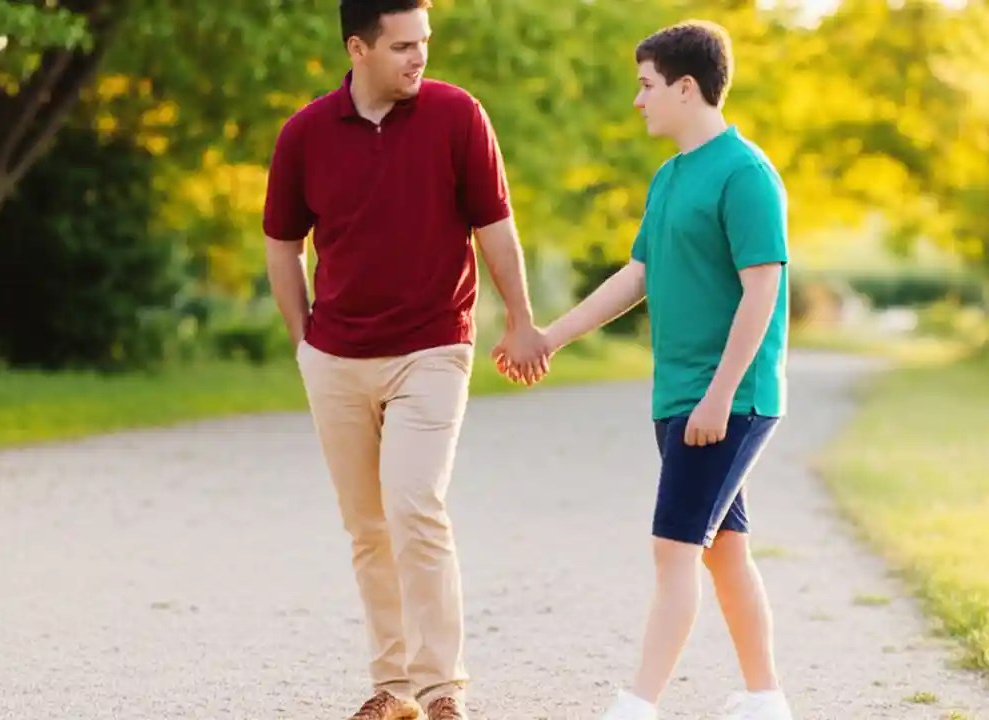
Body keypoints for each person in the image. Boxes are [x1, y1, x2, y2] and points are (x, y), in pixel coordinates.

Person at [261, 1, 551, 718]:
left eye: (423, 42)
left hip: (432, 346)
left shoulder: (459, 117)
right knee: (367, 526)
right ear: (357, 48)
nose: (419, 57)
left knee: (415, 505)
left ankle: (441, 685)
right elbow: (280, 243)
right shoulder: (304, 134)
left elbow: (496, 229)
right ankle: (391, 688)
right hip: (337, 356)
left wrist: (520, 320)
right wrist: (304, 342)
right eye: (401, 46)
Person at [527, 20, 794, 720]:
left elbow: (762, 289)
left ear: (685, 87)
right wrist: (553, 336)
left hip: (727, 400)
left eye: (646, 86)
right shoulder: (671, 177)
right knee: (722, 550)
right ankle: (766, 700)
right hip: (681, 395)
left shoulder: (746, 173)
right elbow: (636, 275)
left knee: (673, 550)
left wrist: (720, 396)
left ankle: (635, 705)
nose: (638, 100)